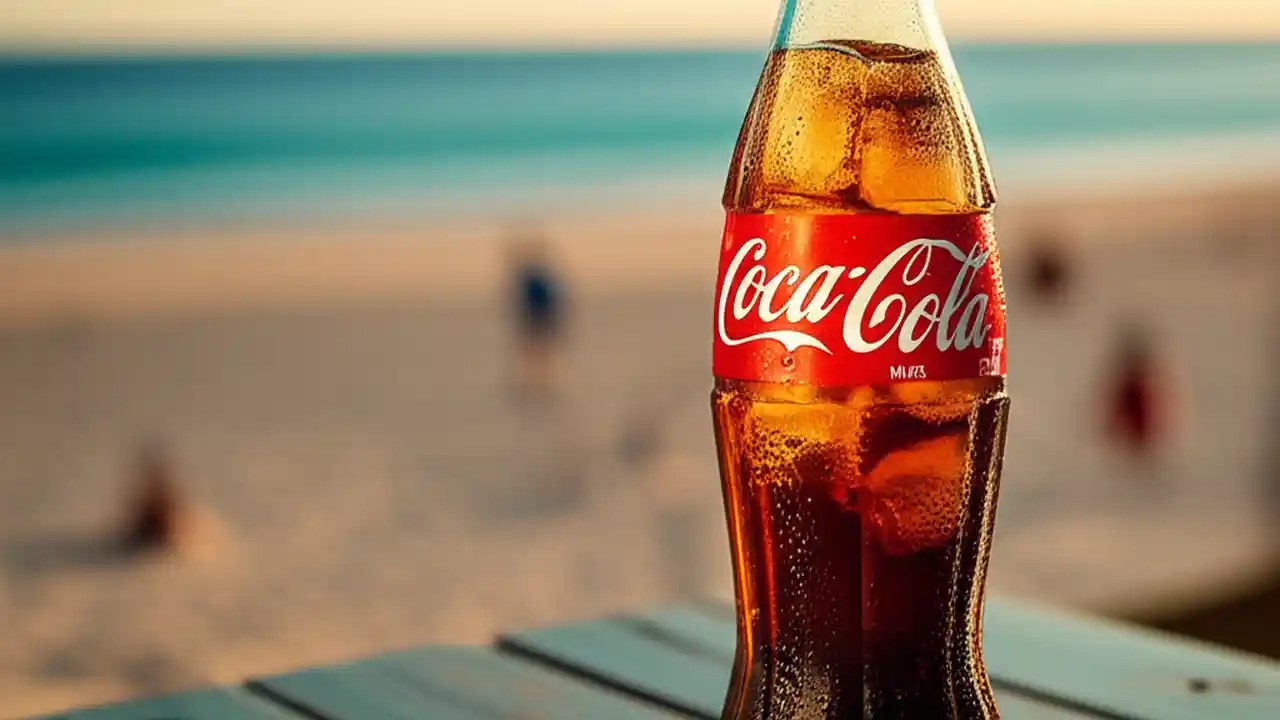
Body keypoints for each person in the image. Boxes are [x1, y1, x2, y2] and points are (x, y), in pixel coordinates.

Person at [507, 233, 564, 401]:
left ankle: (541, 386)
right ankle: (535, 385)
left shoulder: (536, 278)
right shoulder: (533, 278)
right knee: (533, 354)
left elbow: (549, 302)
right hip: (535, 320)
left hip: (539, 319)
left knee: (539, 354)